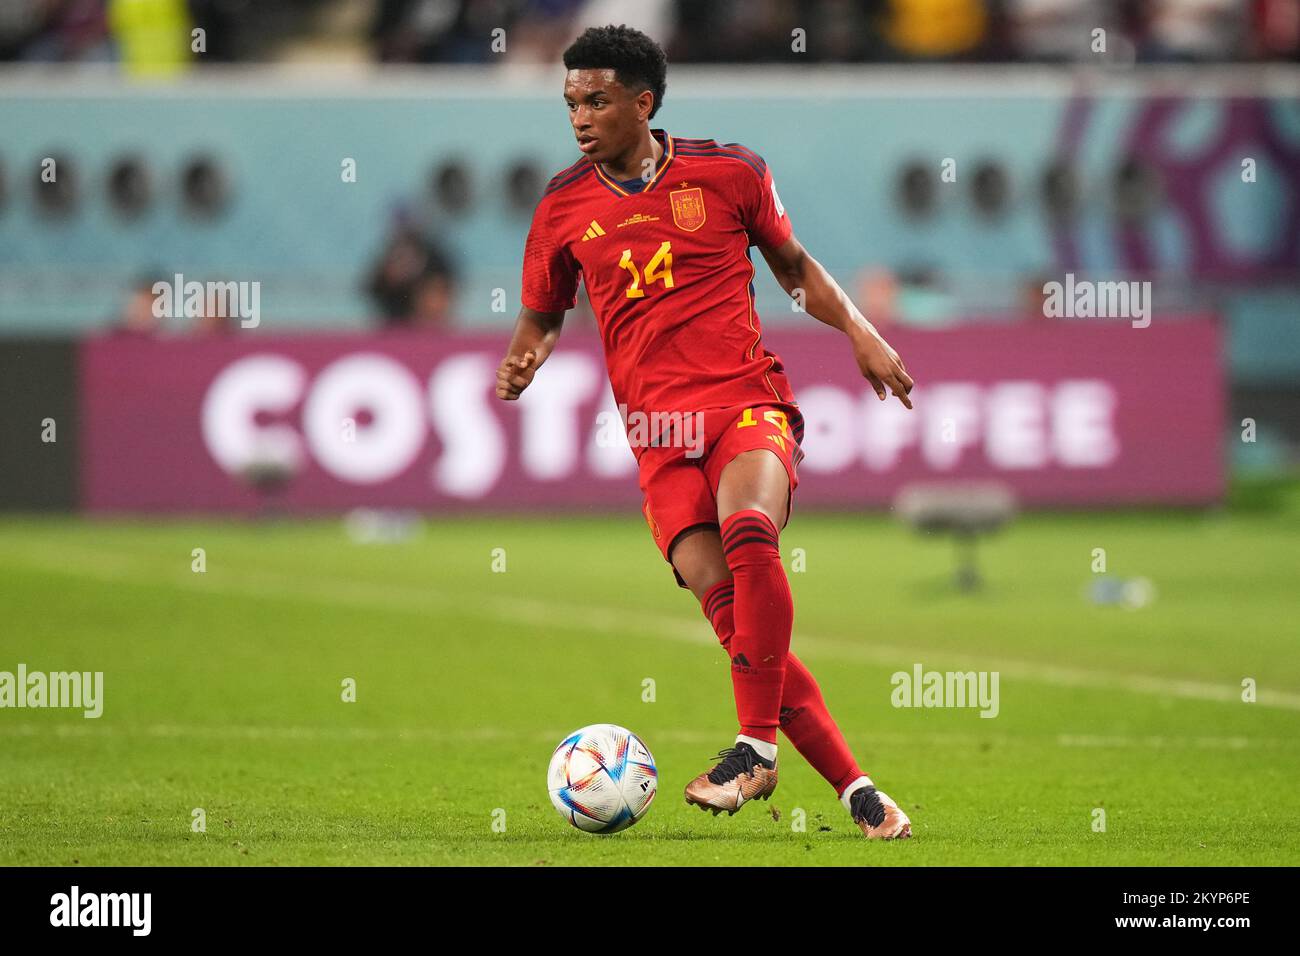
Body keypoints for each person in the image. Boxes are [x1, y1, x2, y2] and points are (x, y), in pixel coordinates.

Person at [496, 25, 915, 839]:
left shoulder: (729, 172)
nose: (579, 118)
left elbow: (792, 267)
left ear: (642, 102)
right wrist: (526, 357)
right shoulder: (561, 207)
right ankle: (860, 794)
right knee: (744, 634)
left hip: (743, 403)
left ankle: (753, 747)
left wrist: (859, 328)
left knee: (751, 525)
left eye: (597, 101)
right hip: (658, 436)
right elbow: (541, 317)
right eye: (571, 103)